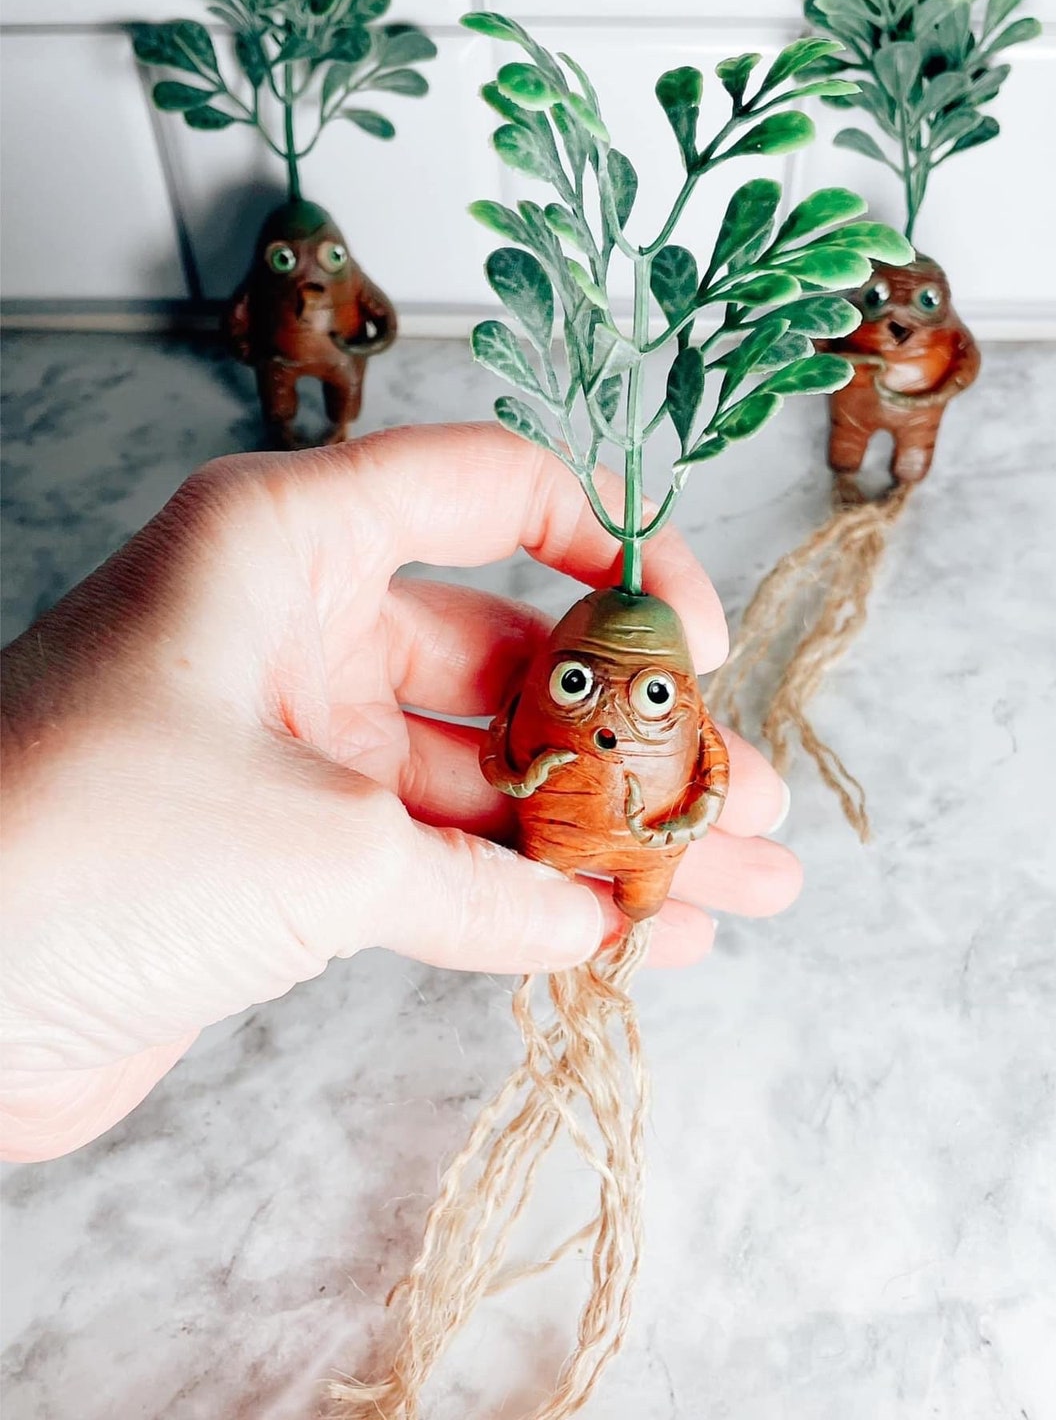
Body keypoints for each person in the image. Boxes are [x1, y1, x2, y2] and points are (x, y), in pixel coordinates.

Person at [0, 424, 799, 1164]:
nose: (611, 726)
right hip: (551, 841)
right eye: (577, 681)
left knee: (644, 905)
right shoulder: (534, 702)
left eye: (655, 698)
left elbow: (711, 773)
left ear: (682, 700)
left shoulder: (686, 724)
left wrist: (683, 817)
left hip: (641, 853)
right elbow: (501, 742)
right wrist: (522, 777)